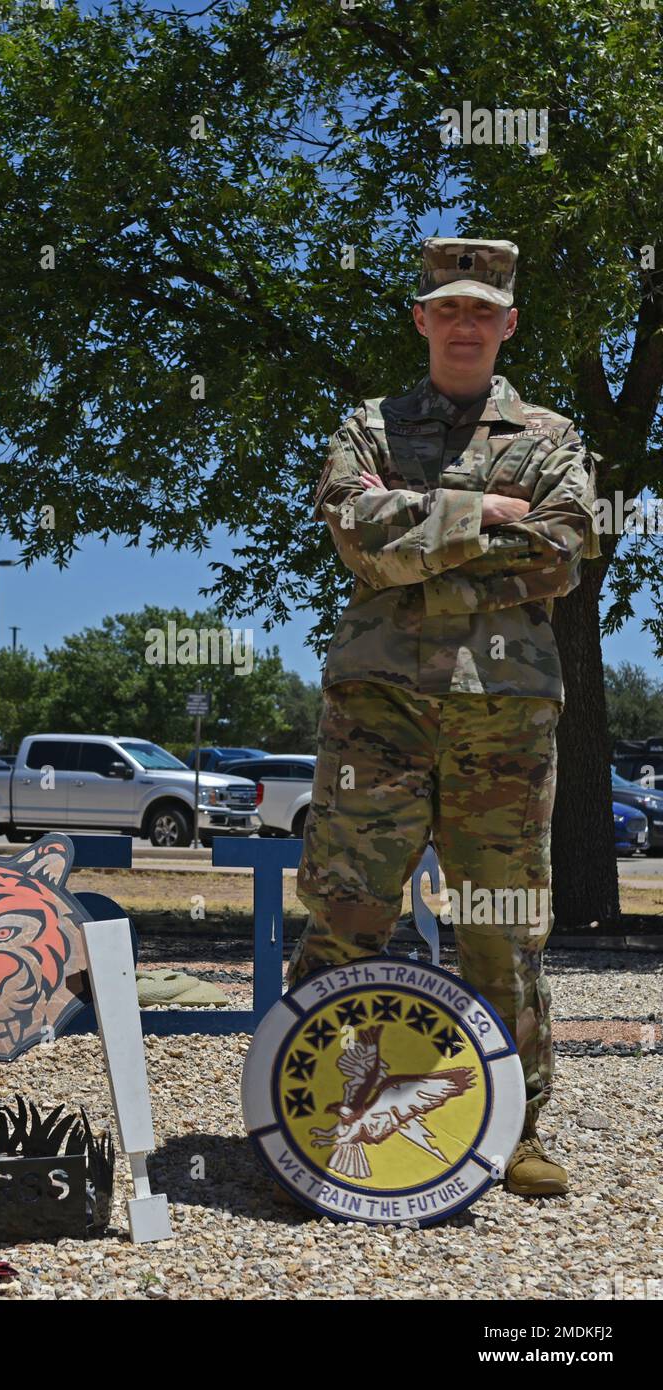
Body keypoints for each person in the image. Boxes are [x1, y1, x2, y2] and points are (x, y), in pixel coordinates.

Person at [289, 237, 602, 1197]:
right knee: (346, 914)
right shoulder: (368, 425)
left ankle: (513, 1130)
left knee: (501, 928)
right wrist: (486, 515)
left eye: (483, 311)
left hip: (501, 718)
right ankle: (308, 1120)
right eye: (448, 309)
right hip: (377, 712)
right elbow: (353, 533)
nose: (465, 325)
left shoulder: (550, 436)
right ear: (422, 320)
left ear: (508, 325)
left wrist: (420, 525)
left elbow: (563, 550)